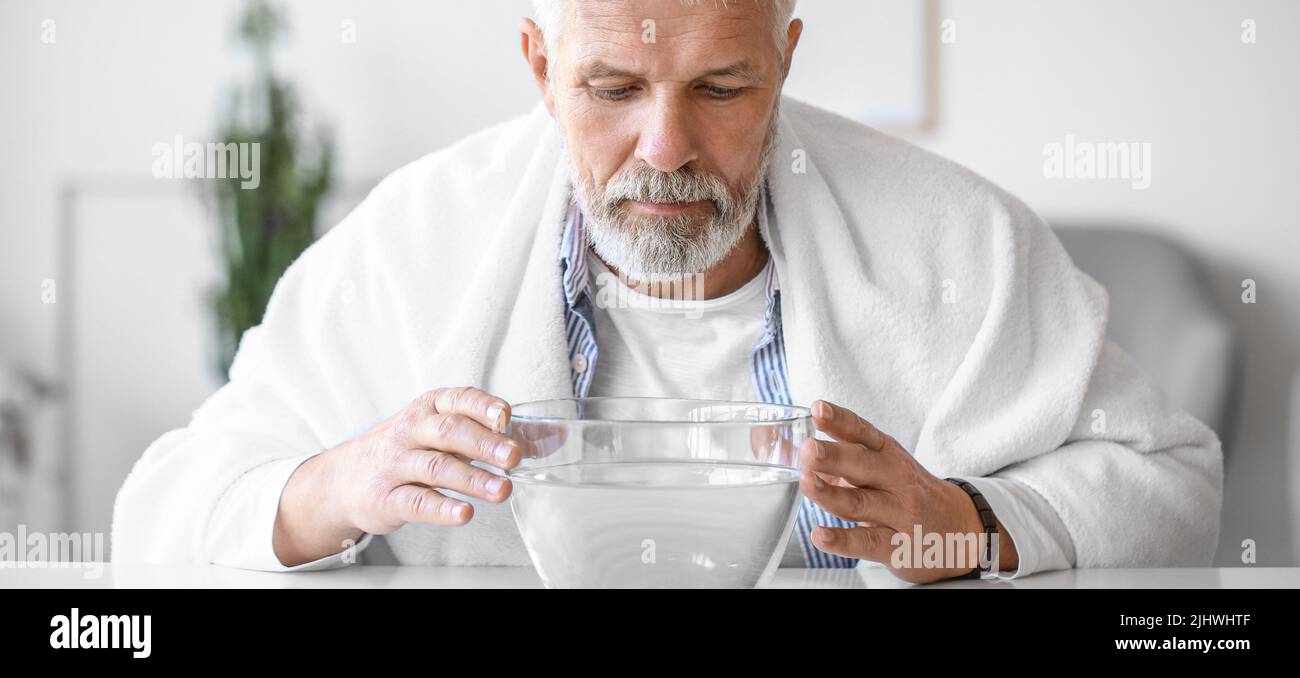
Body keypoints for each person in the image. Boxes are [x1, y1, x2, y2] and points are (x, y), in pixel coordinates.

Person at [112, 0, 1222, 583]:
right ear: (539, 67)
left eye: (723, 86)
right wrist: (334, 488)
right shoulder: (409, 246)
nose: (666, 147)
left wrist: (971, 523)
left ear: (784, 59)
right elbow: (157, 509)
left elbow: (1171, 483)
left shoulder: (961, 239)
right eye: (611, 88)